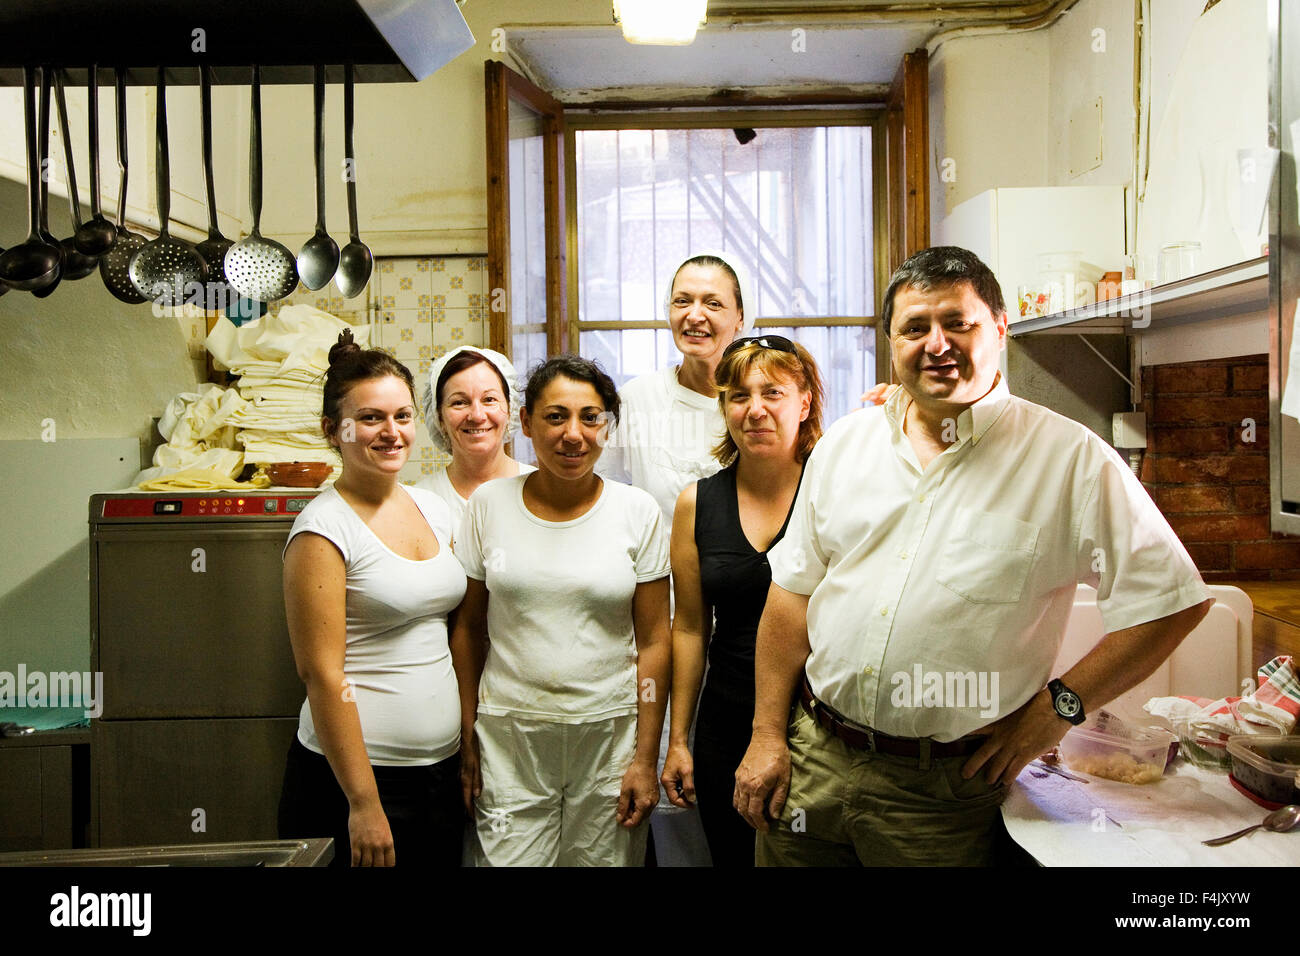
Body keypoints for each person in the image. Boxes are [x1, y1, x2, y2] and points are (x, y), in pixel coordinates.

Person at [733, 246, 1215, 866]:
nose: (937, 344)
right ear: (891, 343)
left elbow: (1171, 603)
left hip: (942, 795)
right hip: (812, 761)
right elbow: (792, 596)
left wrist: (1059, 708)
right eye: (915, 327)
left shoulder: (1070, 461)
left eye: (958, 323)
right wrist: (767, 734)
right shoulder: (844, 446)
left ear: (1000, 328)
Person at [451, 355, 671, 866]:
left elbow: (656, 640)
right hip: (510, 736)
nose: (573, 434)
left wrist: (645, 756)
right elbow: (467, 629)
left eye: (590, 417)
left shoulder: (637, 512)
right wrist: (468, 736)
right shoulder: (488, 505)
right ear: (525, 422)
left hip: (609, 736)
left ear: (607, 427)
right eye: (555, 417)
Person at [278, 330, 467, 867]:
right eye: (371, 418)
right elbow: (321, 674)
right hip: (356, 783)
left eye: (402, 416)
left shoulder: (431, 507)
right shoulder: (323, 530)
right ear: (332, 430)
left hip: (438, 775)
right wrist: (363, 803)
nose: (392, 432)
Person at [661, 334, 824, 867]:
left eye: (772, 393)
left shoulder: (835, 491)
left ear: (804, 402)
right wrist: (679, 738)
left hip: (819, 723)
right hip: (725, 721)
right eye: (738, 395)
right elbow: (688, 629)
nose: (754, 410)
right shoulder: (697, 503)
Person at [417, 345, 535, 531]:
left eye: (489, 399)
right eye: (459, 402)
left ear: (510, 408)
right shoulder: (421, 503)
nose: (477, 416)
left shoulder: (539, 490)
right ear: (438, 417)